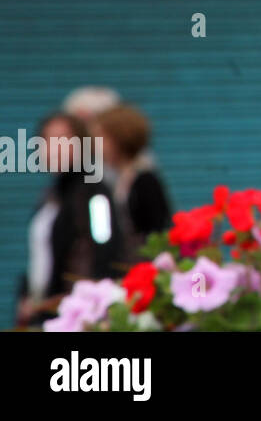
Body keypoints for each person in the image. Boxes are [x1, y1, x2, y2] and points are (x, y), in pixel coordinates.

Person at [15, 111, 126, 328]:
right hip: (45, 313)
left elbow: (105, 248)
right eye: (47, 140)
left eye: (64, 140)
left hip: (78, 316)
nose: (54, 148)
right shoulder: (51, 197)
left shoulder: (95, 193)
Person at [91, 103, 173, 260]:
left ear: (118, 139)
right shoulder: (117, 179)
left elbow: (157, 230)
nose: (96, 148)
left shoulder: (145, 181)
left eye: (101, 139)